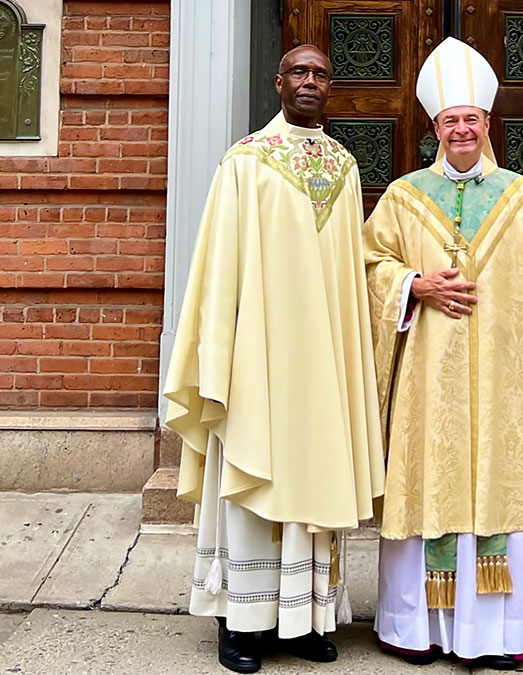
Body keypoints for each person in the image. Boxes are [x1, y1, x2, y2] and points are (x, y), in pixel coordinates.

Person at [363, 37, 523, 671]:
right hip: (426, 377)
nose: (461, 129)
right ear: (435, 127)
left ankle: (496, 635)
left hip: (503, 376)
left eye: (471, 119)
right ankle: (419, 630)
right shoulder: (404, 197)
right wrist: (416, 285)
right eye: (449, 120)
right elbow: (369, 266)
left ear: (488, 124)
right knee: (427, 477)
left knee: (500, 479)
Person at [163, 45, 385, 673]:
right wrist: (220, 356)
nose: (310, 82)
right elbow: (219, 266)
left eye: (320, 74)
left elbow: (349, 272)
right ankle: (239, 620)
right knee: (253, 475)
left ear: (329, 87)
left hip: (324, 356)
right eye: (299, 73)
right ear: (279, 82)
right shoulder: (246, 162)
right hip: (258, 352)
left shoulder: (343, 166)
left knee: (313, 469)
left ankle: (303, 618)